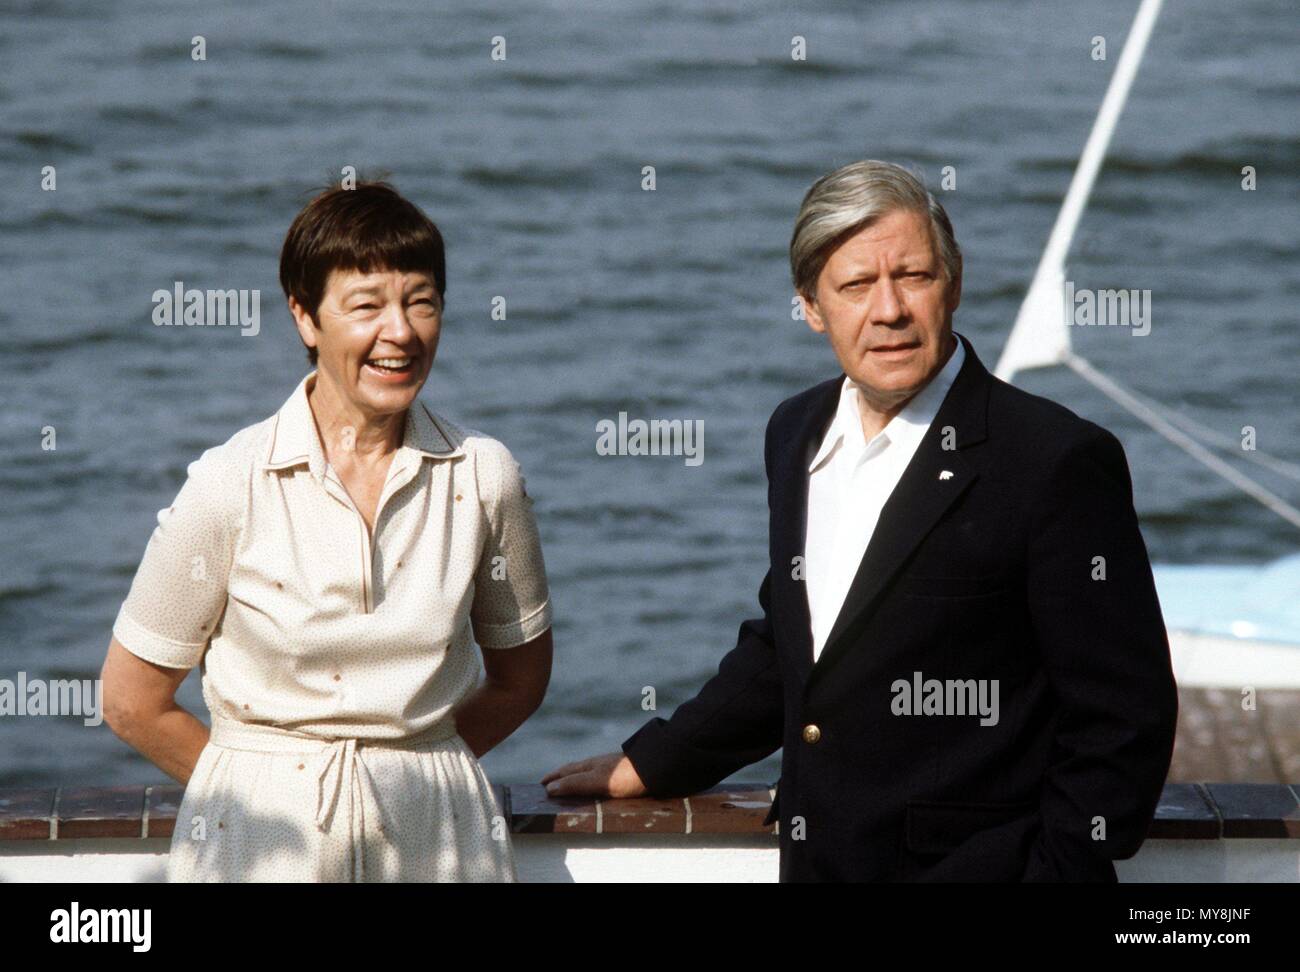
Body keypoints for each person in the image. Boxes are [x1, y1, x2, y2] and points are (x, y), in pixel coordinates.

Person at [543, 159, 1178, 882]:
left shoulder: (1055, 460)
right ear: (812, 307)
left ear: (955, 283)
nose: (889, 310)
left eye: (914, 276)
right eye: (855, 286)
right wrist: (657, 760)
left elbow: (1126, 716)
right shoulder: (796, 432)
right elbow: (800, 646)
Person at [102, 181, 553, 882]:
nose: (400, 331)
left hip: (442, 843)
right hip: (258, 847)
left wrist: (412, 775)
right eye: (367, 305)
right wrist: (256, 786)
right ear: (305, 318)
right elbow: (131, 700)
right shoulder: (230, 483)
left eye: (422, 301)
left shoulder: (483, 477)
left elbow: (520, 680)